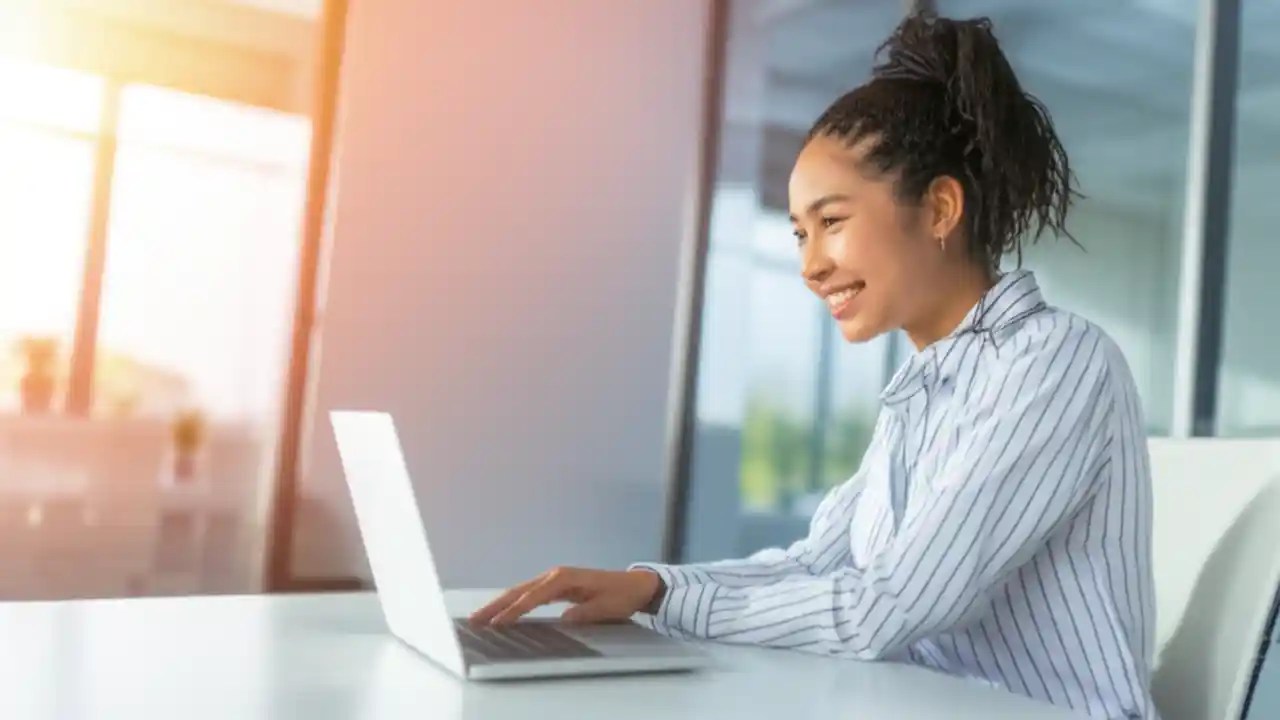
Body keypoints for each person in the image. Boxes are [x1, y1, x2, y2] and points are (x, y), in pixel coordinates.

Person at [471, 12, 1155, 720]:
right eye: (799, 233)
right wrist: (649, 588)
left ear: (940, 208)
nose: (809, 265)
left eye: (832, 223)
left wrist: (675, 599)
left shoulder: (1054, 360)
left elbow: (884, 608)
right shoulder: (929, 390)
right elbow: (816, 564)